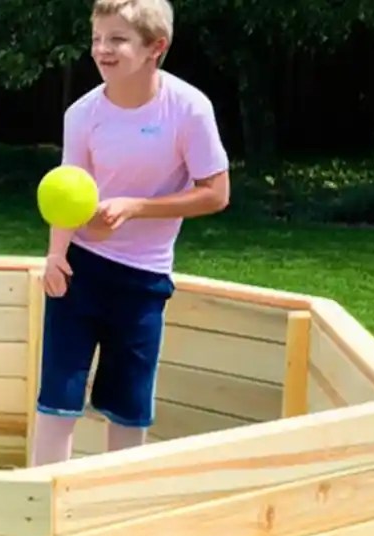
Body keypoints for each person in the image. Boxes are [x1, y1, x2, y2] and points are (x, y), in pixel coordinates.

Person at [30, 0, 230, 464]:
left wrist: (136, 208)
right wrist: (56, 255)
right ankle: (44, 502)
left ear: (155, 47)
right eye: (97, 38)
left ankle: (116, 509)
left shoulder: (188, 109)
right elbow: (67, 189)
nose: (102, 50)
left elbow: (216, 193)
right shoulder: (82, 114)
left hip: (143, 280)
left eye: (117, 39)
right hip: (79, 269)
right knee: (57, 398)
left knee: (128, 408)